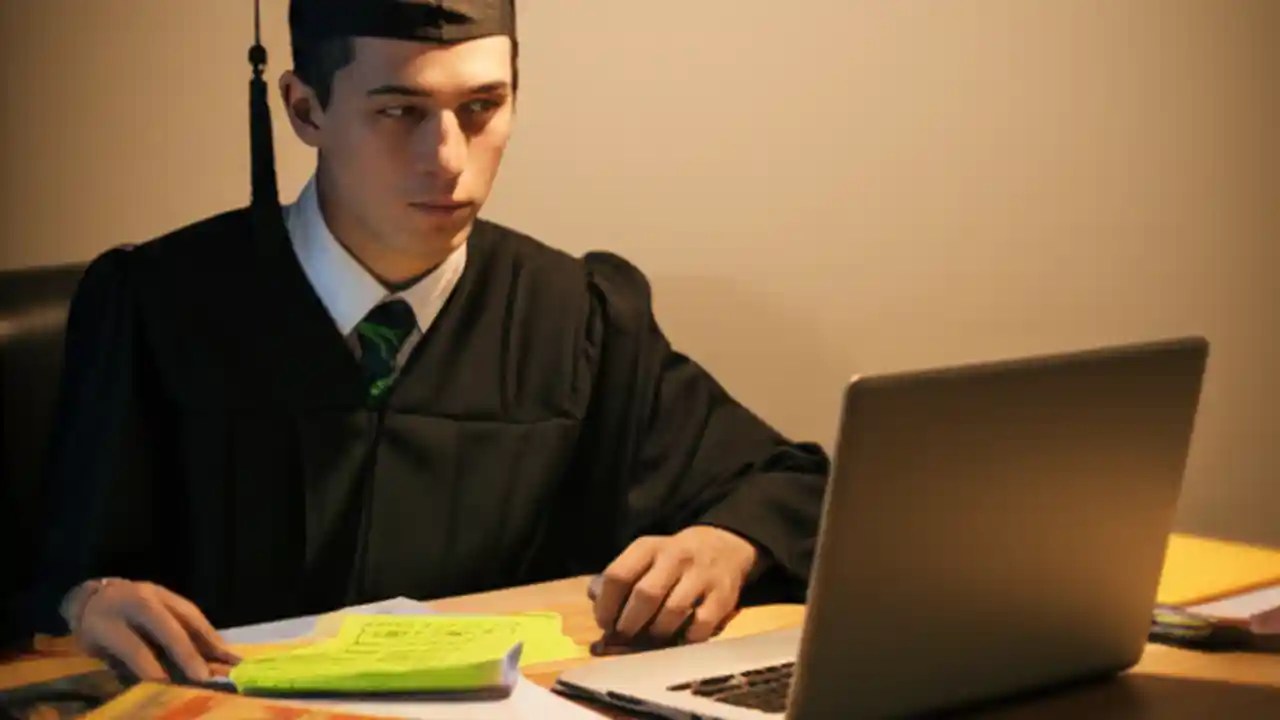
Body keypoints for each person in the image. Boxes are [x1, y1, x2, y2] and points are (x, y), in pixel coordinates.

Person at [22, 0, 830, 684]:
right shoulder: (158, 305)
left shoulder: (577, 316)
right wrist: (84, 599)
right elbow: (45, 557)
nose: (448, 158)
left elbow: (788, 483)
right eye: (399, 111)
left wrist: (727, 543)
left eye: (481, 107)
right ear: (305, 109)